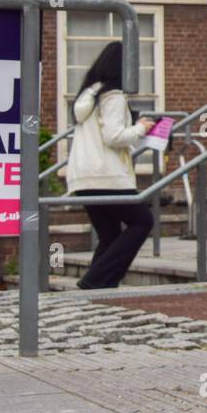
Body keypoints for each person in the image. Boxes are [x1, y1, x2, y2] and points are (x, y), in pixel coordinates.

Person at [65, 41, 154, 289]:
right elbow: (113, 137)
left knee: (110, 236)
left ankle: (99, 287)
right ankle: (94, 281)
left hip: (83, 177)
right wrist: (141, 128)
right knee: (143, 221)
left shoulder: (89, 93)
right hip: (107, 174)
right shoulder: (113, 95)